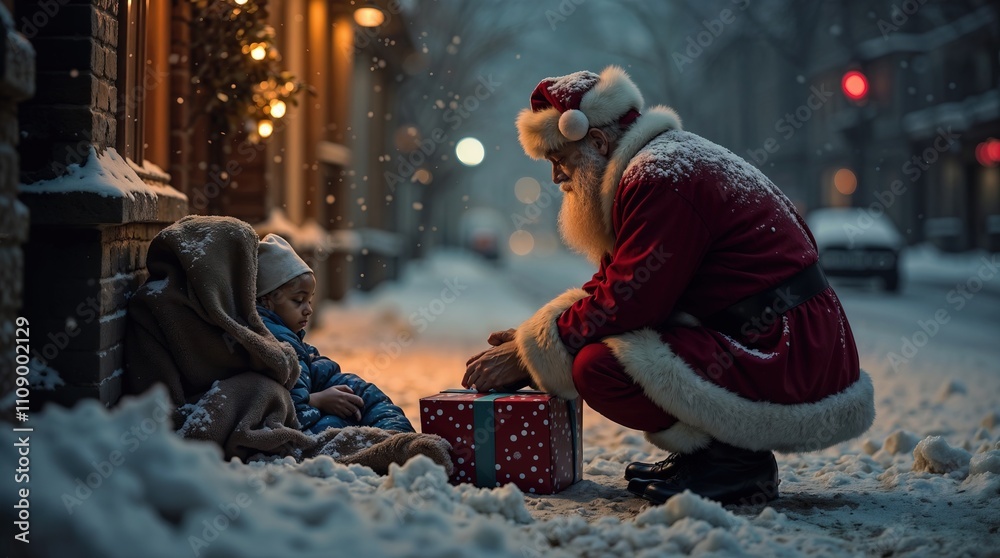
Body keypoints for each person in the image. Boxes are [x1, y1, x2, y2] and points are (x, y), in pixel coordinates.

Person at [463, 66, 875, 505]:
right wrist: (535, 342)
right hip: (783, 334)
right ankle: (709, 457)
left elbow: (631, 302)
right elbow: (615, 283)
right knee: (593, 347)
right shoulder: (654, 163)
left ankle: (733, 464)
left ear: (598, 143)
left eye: (560, 161)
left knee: (598, 367)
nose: (556, 178)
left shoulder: (657, 177)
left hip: (787, 346)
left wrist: (541, 351)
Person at [256, 233, 414, 434]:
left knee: (362, 394)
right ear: (266, 301)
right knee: (348, 424)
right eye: (298, 301)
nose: (308, 310)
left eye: (310, 301)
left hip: (316, 406)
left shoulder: (293, 342)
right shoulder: (272, 346)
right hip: (305, 432)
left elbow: (322, 375)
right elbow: (281, 410)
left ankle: (400, 437)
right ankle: (397, 443)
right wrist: (318, 400)